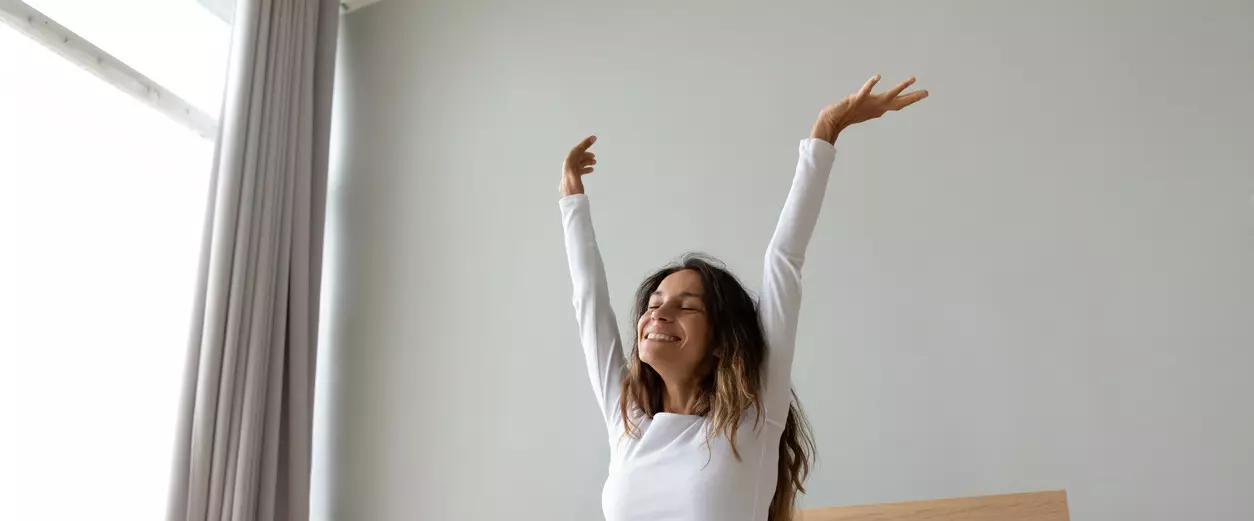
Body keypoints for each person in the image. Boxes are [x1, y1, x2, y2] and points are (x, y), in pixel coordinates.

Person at [558, 75, 928, 521]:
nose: (660, 314)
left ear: (719, 341)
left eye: (686, 306)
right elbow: (589, 305)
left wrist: (825, 132)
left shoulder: (752, 418)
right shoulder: (628, 421)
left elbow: (783, 261)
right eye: (654, 304)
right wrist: (572, 202)